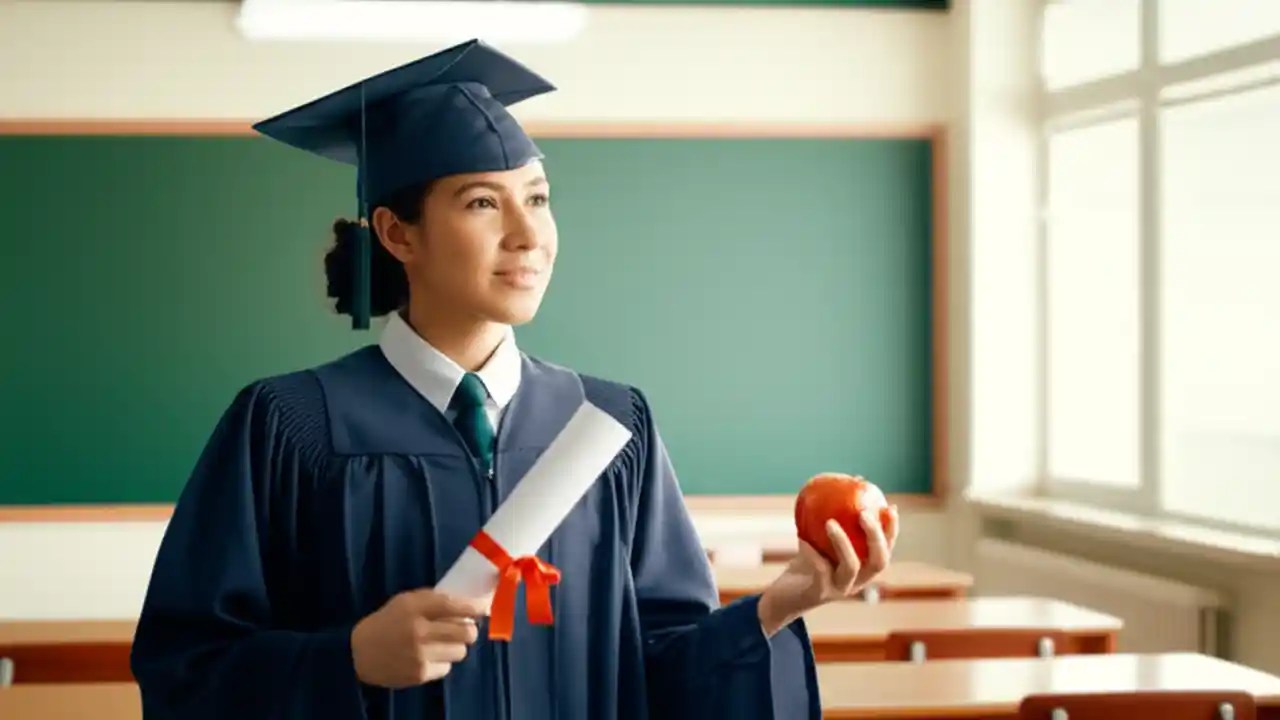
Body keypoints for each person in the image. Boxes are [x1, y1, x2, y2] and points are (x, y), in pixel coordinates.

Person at [130, 39, 899, 720]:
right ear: (399, 234)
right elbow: (184, 671)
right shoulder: (290, 426)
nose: (528, 235)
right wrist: (349, 660)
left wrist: (777, 606)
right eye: (481, 203)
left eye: (537, 198)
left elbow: (659, 666)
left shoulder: (610, 426)